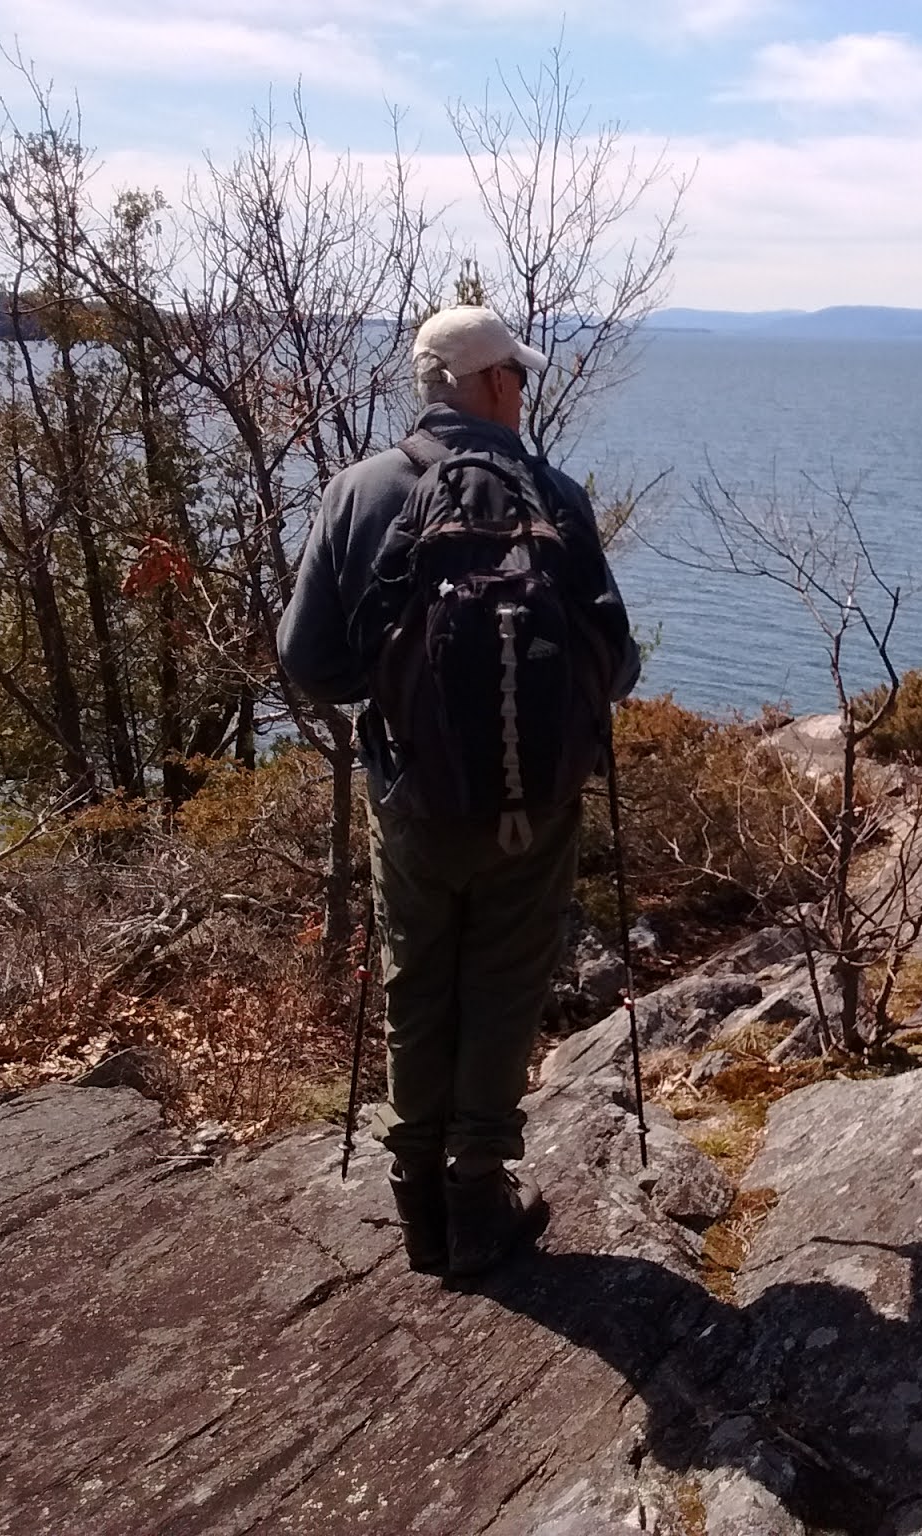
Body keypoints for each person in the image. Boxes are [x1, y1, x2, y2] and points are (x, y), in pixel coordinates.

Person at [278, 306, 640, 1277]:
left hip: (411, 796)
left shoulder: (359, 492)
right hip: (536, 804)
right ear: (491, 384)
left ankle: (419, 1206)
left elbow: (308, 660)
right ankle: (479, 1192)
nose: (520, 389)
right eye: (515, 374)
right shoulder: (554, 495)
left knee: (417, 979)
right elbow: (617, 663)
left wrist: (397, 690)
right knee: (504, 984)